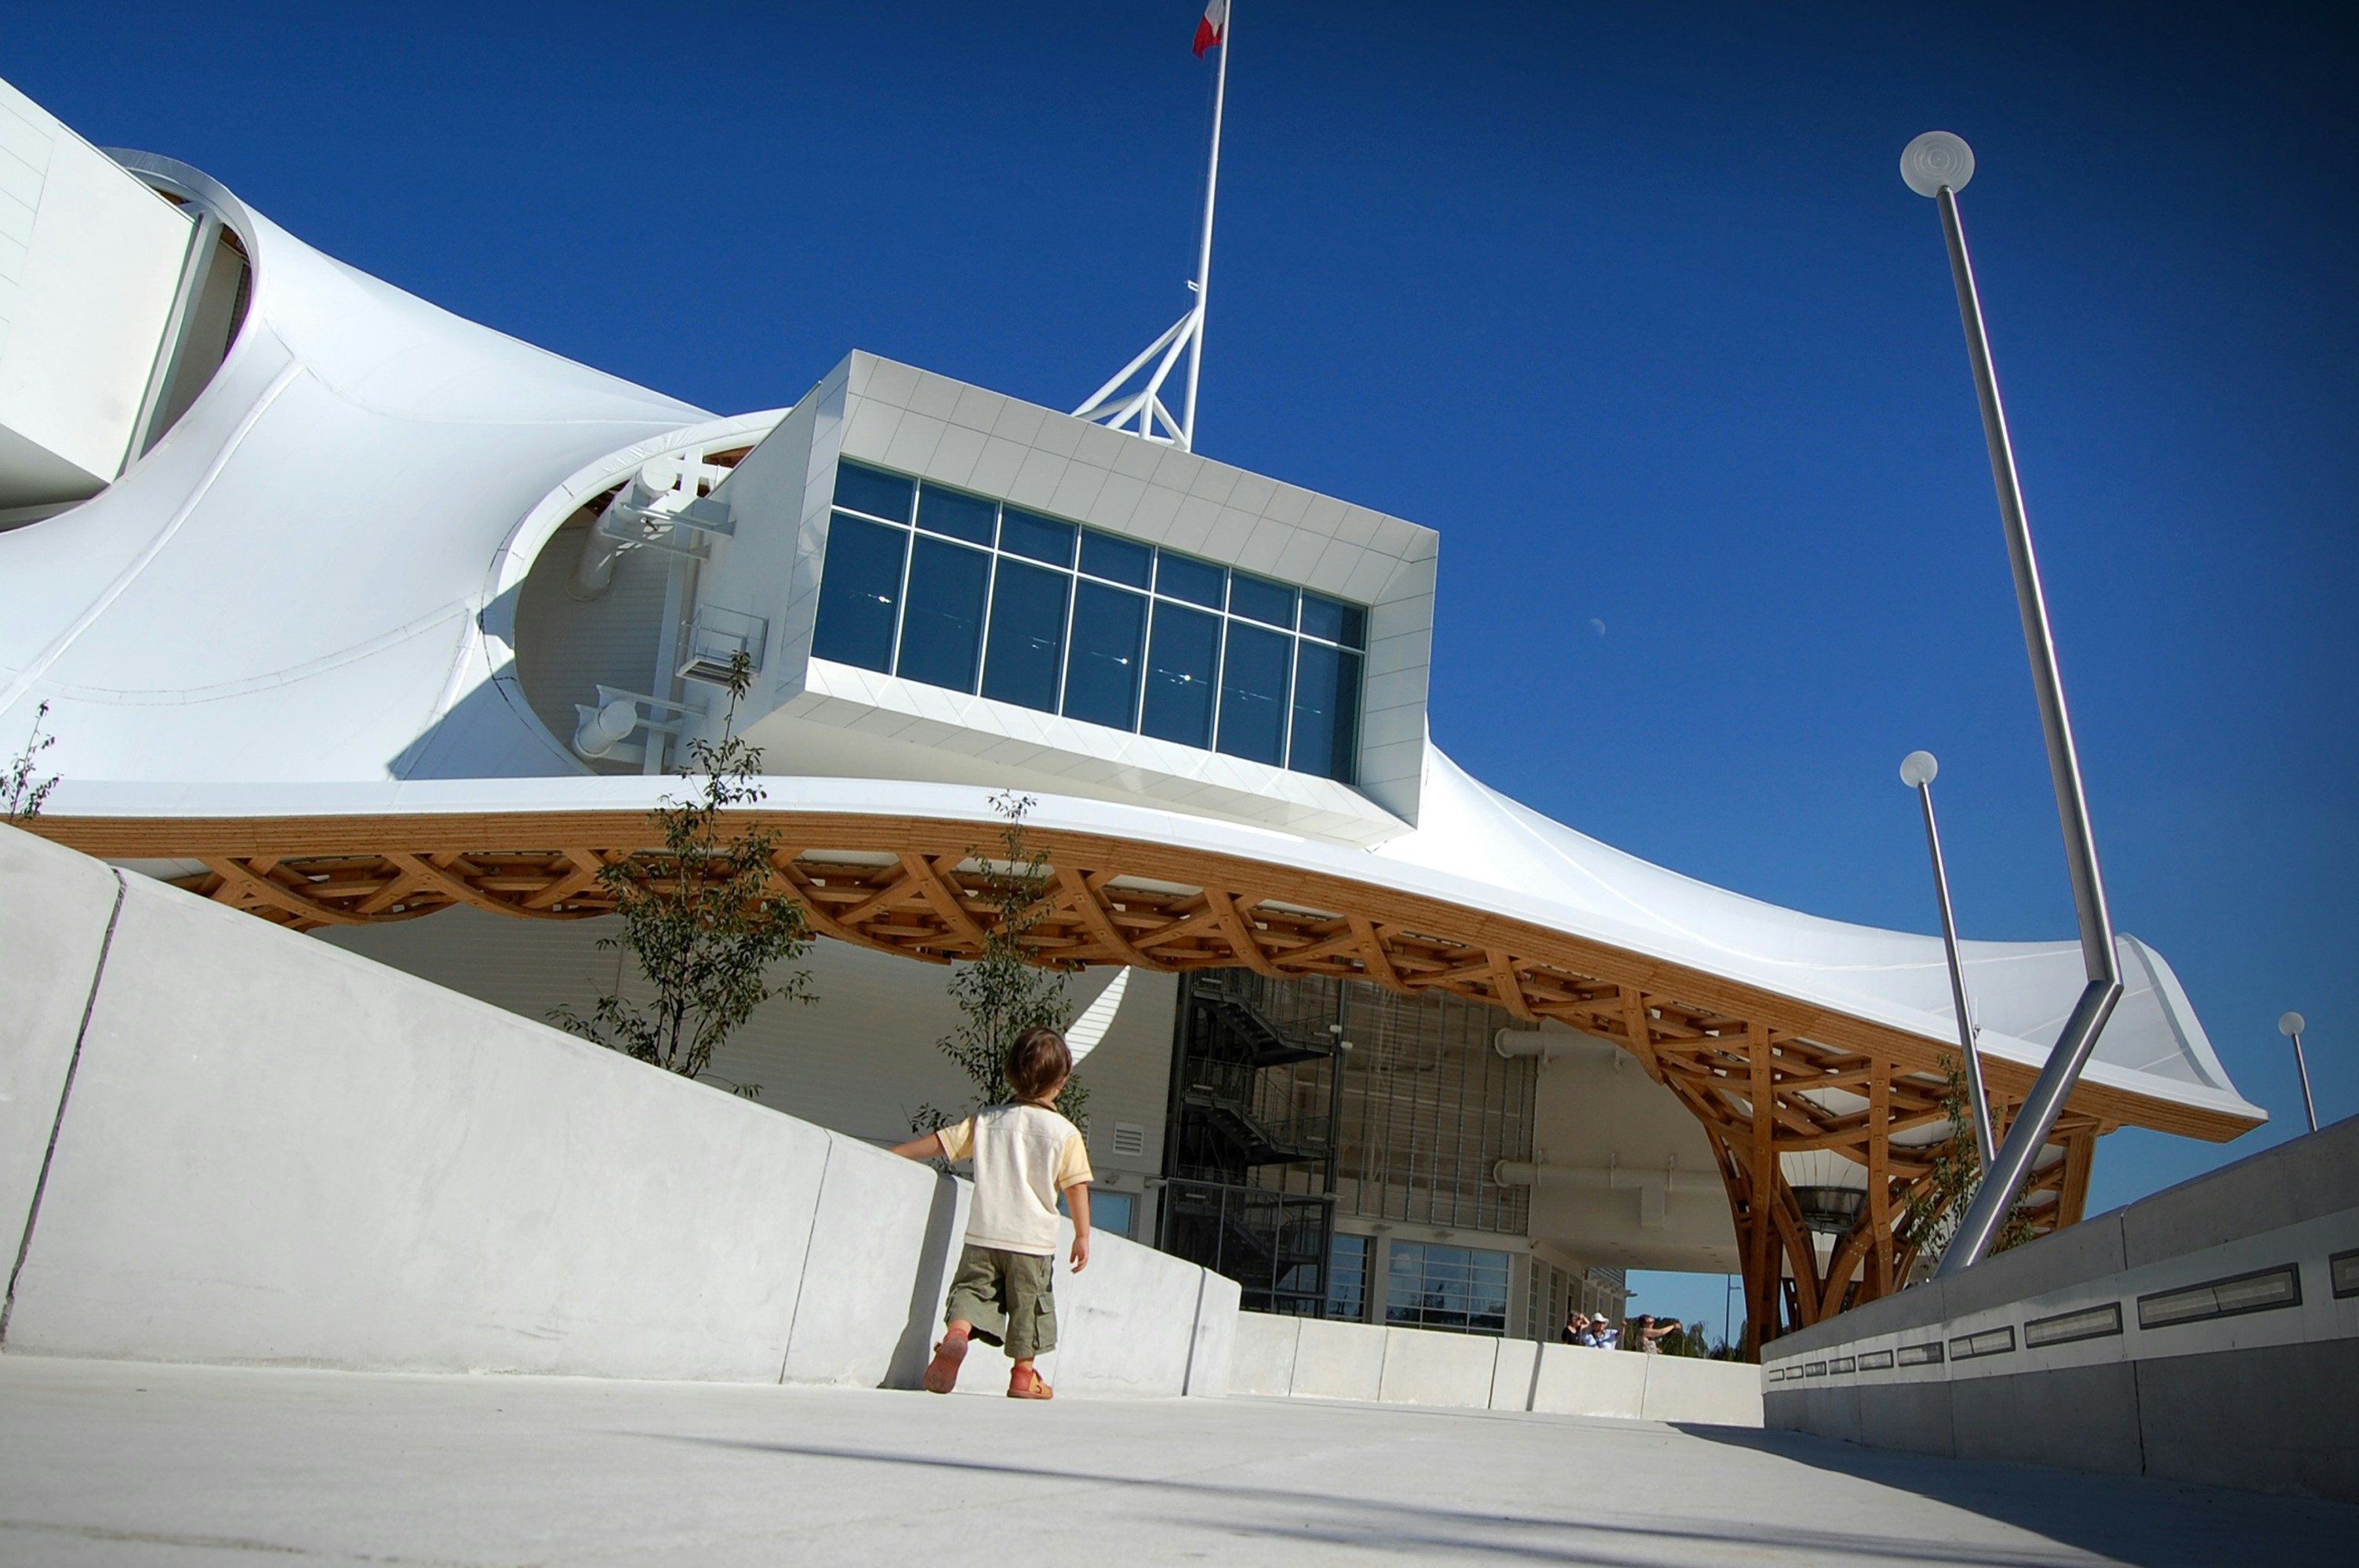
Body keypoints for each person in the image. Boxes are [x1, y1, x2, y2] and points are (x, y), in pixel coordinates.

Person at [889, 1026, 1092, 1400]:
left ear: (1011, 1072)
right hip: (1032, 1242)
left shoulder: (987, 1121)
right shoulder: (1064, 1133)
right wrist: (1082, 1234)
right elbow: (1076, 1185)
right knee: (1029, 1306)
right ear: (1061, 1082)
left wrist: (897, 1154)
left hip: (984, 1234)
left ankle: (956, 1336)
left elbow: (942, 1143)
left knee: (971, 1290)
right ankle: (1023, 1375)